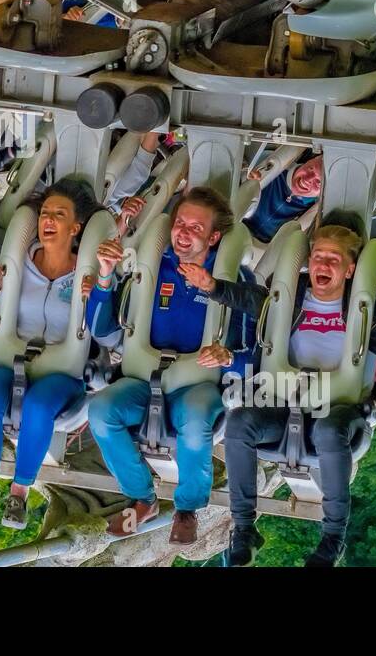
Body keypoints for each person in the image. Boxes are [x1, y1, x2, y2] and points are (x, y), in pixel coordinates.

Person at [192, 224, 376, 566]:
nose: (323, 265)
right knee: (240, 422)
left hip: (340, 413)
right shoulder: (291, 298)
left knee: (327, 430)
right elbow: (252, 301)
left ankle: (333, 539)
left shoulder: (362, 304)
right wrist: (213, 287)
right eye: (318, 257)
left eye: (333, 259)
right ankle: (245, 529)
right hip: (286, 405)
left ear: (350, 269)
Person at [83, 186, 258, 545]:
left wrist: (230, 358)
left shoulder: (236, 283)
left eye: (196, 228)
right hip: (143, 377)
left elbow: (258, 355)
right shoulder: (150, 267)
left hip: (197, 385)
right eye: (180, 223)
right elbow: (103, 329)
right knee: (100, 409)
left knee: (194, 421)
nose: (183, 233)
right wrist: (104, 278)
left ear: (214, 236)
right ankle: (142, 498)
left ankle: (187, 508)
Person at [0, 178, 103, 530]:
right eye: (45, 213)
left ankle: (19, 494)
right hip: (11, 356)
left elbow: (106, 327)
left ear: (75, 227)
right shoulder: (21, 263)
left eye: (59, 214)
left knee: (38, 404)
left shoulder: (85, 272)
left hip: (61, 370)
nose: (48, 220)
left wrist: (100, 293)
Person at [243, 151, 323, 243]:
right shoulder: (275, 164)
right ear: (307, 162)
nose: (308, 179)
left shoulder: (313, 210)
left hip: (261, 249)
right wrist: (246, 172)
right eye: (310, 168)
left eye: (318, 182)